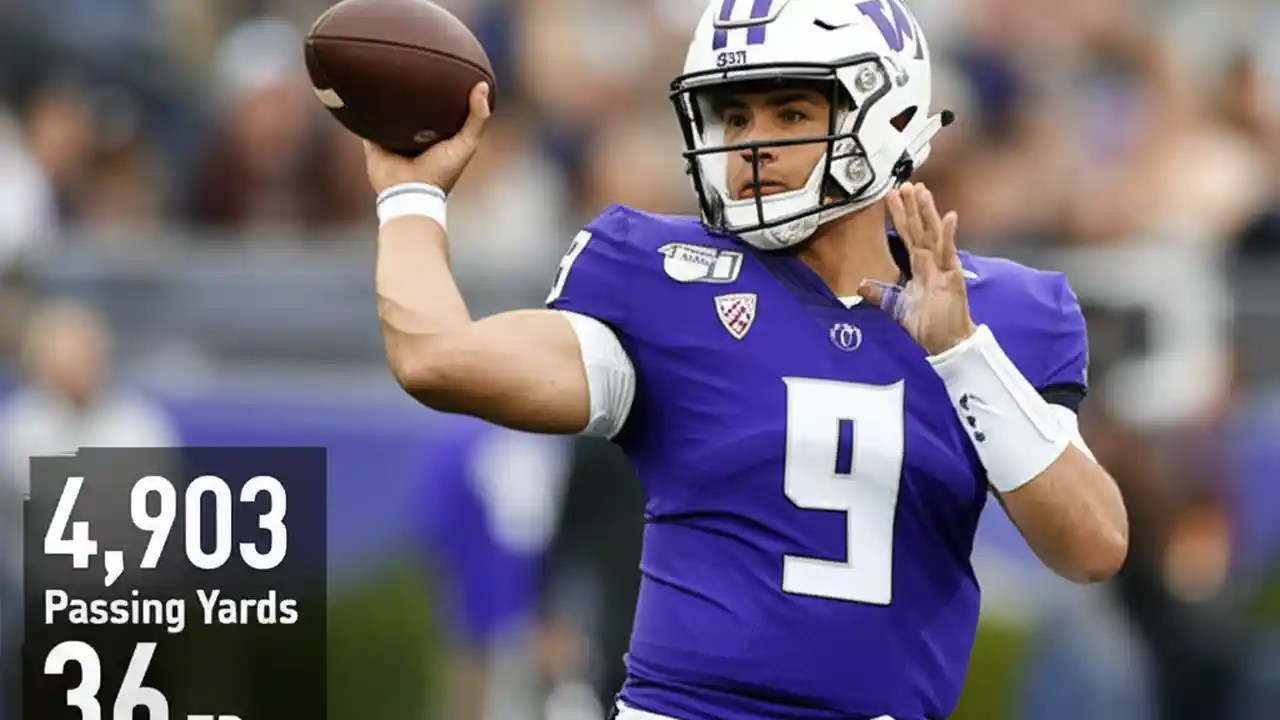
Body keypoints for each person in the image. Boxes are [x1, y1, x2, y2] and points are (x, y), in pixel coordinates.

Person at [361, 1, 1129, 718]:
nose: (753, 144)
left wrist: (963, 355)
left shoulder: (1003, 313)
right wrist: (410, 198)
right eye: (734, 115)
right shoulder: (658, 276)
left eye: (791, 111)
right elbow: (436, 358)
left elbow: (1094, 546)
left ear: (889, 115)